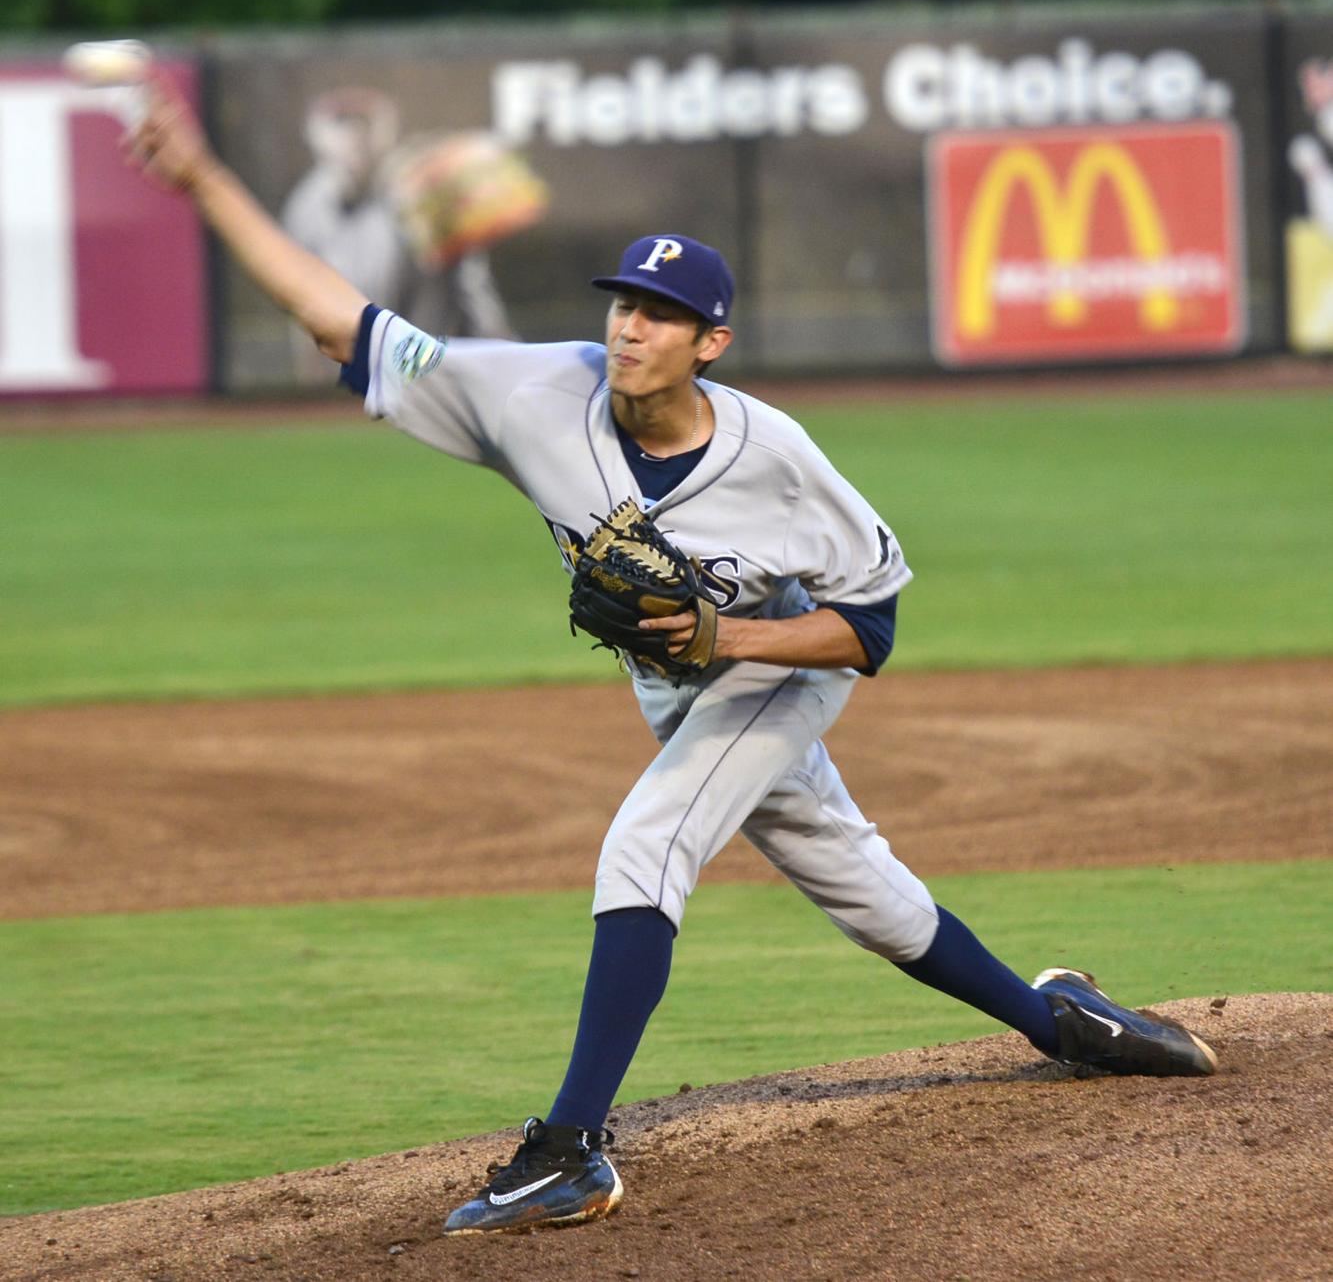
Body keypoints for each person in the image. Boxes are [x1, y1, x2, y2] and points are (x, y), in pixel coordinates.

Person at [126, 79, 1217, 1239]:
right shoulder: (531, 394)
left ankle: (570, 1151)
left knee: (649, 842)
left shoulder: (779, 459)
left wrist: (727, 637)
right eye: (622, 305)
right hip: (678, 686)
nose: (629, 328)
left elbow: (874, 628)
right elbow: (335, 316)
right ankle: (1056, 1019)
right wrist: (201, 181)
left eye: (659, 313)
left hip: (781, 668)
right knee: (862, 890)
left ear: (712, 341)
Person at [280, 85, 515, 384]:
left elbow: (473, 292)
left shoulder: (421, 190)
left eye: (363, 122)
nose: (354, 135)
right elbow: (303, 307)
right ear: (316, 133)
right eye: (342, 122)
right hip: (348, 375)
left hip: (427, 372)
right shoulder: (306, 208)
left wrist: (509, 360)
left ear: (385, 128)